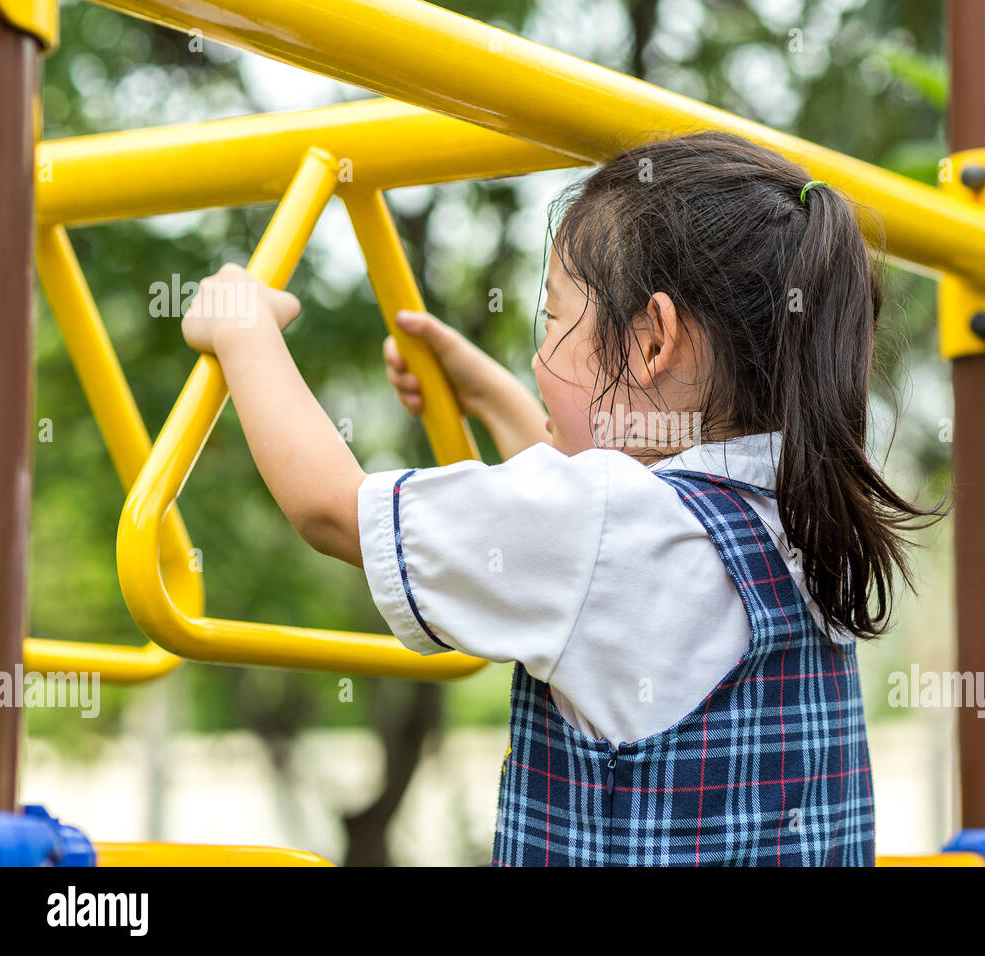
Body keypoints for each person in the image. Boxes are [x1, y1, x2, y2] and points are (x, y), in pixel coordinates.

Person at [181, 130, 945, 866]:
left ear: (652, 342)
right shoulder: (804, 512)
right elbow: (593, 549)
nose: (540, 353)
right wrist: (490, 395)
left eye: (551, 319)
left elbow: (330, 507)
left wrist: (246, 333)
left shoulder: (609, 525)